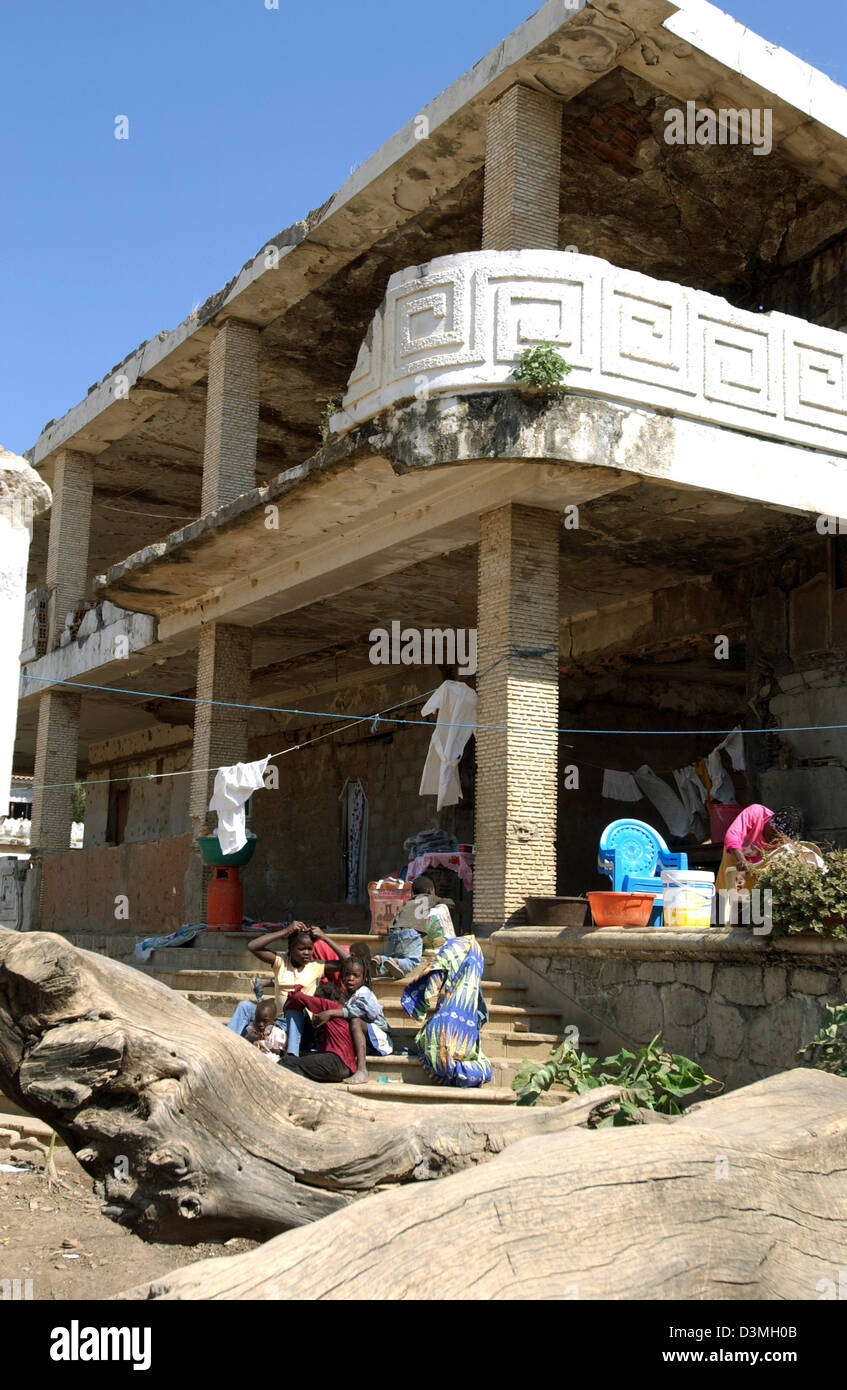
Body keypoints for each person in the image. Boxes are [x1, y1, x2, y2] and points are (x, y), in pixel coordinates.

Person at [226, 922, 350, 1053]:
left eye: (310, 948)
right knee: (245, 1006)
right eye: (302, 949)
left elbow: (349, 961)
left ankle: (292, 1056)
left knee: (294, 1006)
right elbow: (252, 946)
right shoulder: (280, 962)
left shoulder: (316, 966)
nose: (307, 953)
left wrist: (324, 937)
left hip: (300, 1023)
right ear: (291, 948)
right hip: (274, 1019)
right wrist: (285, 932)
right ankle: (227, 1044)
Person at [401, 934, 491, 1087]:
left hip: (438, 1031)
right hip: (465, 1035)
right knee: (483, 1066)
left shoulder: (452, 951)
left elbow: (432, 984)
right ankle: (464, 1072)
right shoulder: (474, 967)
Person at [280, 954, 377, 1086]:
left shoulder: (331, 1007)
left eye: (355, 975)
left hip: (337, 1062)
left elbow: (296, 996)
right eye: (347, 975)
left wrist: (291, 1005)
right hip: (343, 1066)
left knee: (286, 1063)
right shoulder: (343, 1006)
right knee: (297, 1066)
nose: (350, 979)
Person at [374, 874, 455, 979]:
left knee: (391, 957)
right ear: (430, 891)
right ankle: (395, 962)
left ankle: (379, 960)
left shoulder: (410, 902)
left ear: (412, 893)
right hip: (410, 932)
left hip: (393, 930)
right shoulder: (429, 898)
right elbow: (450, 903)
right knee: (412, 961)